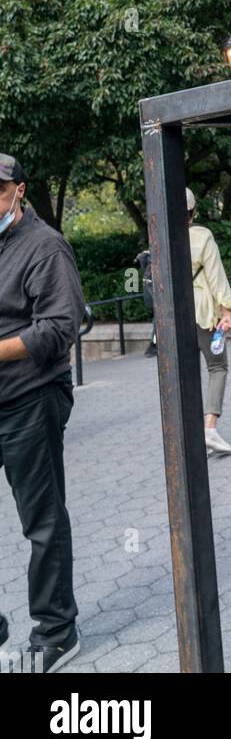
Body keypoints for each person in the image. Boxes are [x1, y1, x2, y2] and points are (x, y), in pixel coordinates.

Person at [0, 153, 85, 673]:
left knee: (42, 520)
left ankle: (57, 630)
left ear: (19, 190)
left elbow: (59, 327)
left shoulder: (45, 246)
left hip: (31, 397)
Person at [186, 188, 231, 456]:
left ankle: (191, 436)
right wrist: (226, 311)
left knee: (186, 373)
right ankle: (210, 428)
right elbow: (216, 277)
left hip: (173, 316)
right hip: (203, 312)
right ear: (193, 211)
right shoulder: (201, 236)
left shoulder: (158, 238)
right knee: (217, 366)